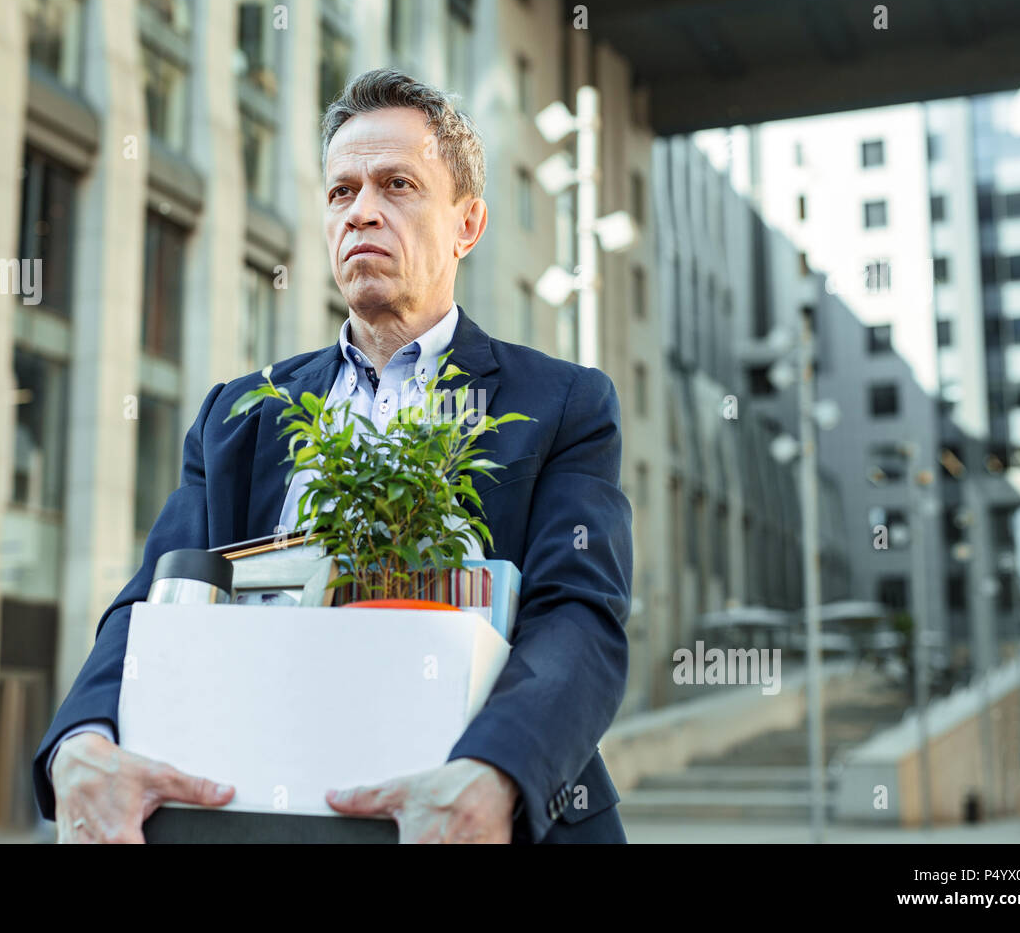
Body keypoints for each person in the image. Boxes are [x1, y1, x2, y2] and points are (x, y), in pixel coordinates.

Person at [34, 68, 633, 844]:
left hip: (477, 815)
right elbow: (156, 598)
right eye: (340, 192)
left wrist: (495, 773)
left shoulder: (563, 403)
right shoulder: (238, 417)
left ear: (468, 224)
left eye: (397, 185)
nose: (362, 213)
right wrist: (80, 739)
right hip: (256, 815)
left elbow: (579, 615)